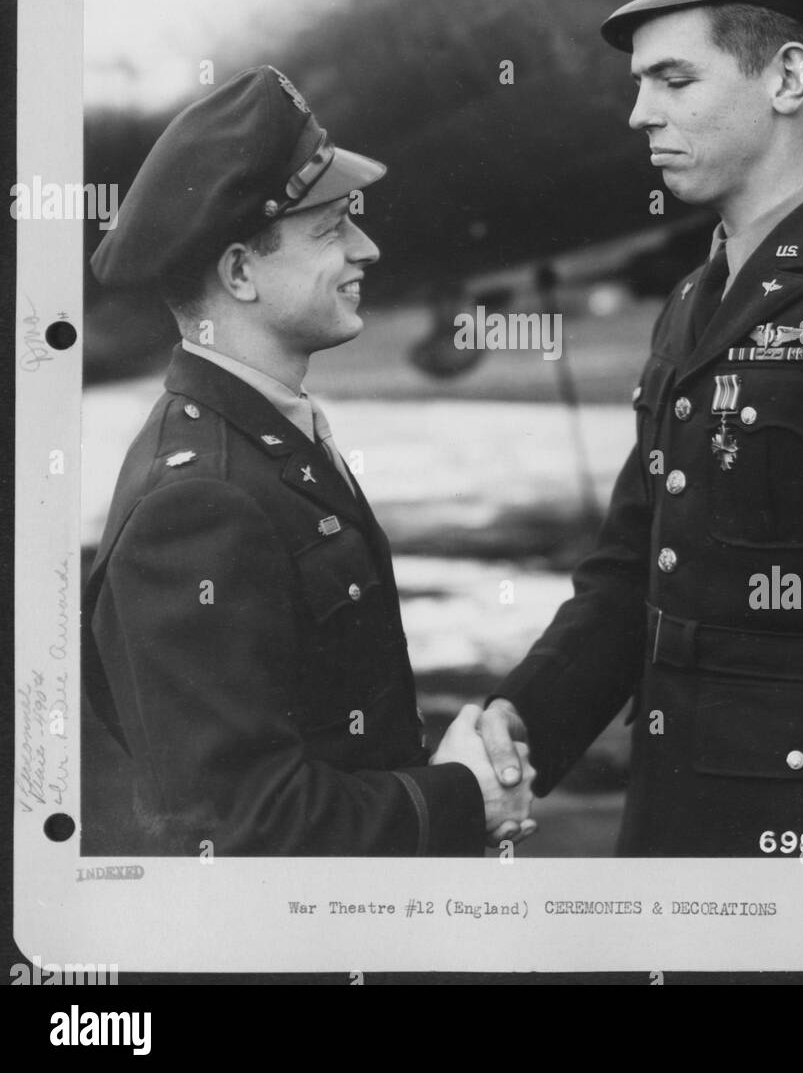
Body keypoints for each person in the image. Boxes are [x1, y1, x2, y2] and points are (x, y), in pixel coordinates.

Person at [478, 0, 803, 857]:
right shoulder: (696, 298)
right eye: (640, 83)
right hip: (675, 831)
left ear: (787, 78)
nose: (640, 112)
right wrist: (520, 721)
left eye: (673, 79)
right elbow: (632, 567)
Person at [84, 65, 535, 856]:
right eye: (331, 231)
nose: (368, 248)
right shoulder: (198, 504)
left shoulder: (273, 438)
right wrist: (459, 799)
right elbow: (242, 830)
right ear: (237, 273)